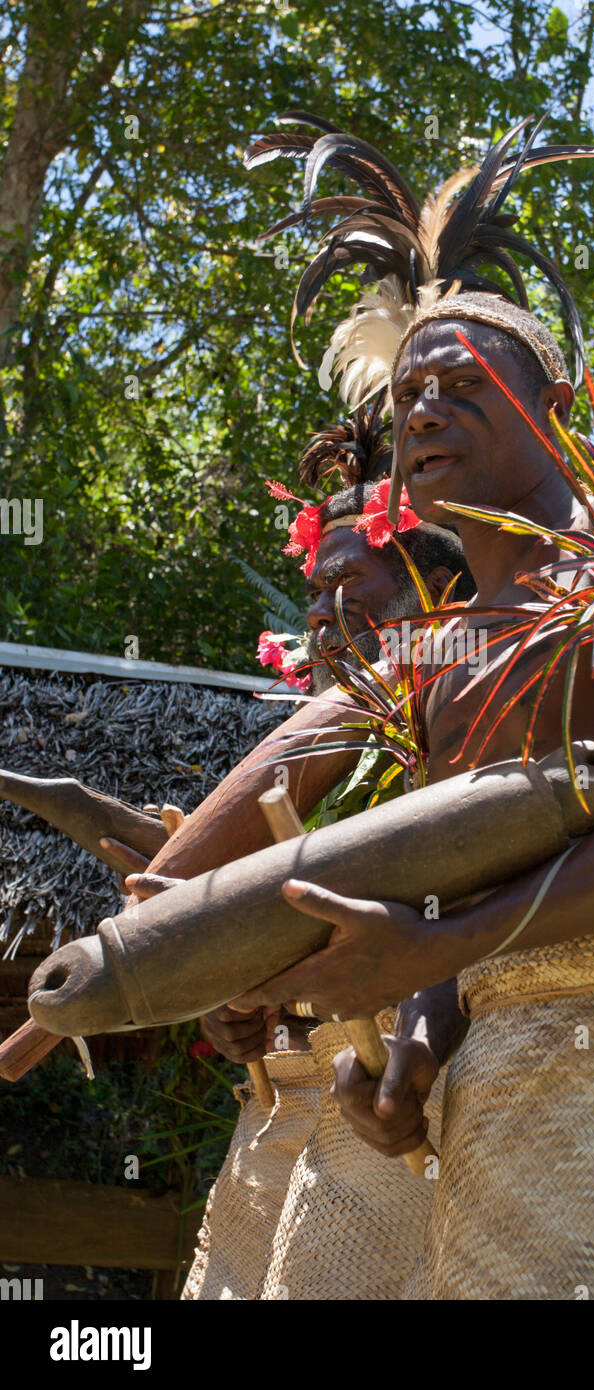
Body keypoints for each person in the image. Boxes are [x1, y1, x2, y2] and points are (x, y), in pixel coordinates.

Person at [221, 118, 594, 1300]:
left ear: (554, 401)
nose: (422, 409)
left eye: (460, 384)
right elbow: (455, 888)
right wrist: (420, 1042)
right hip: (502, 1072)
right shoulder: (440, 654)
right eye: (409, 390)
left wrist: (442, 947)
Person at [131, 411, 474, 1300]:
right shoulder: (307, 758)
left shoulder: (477, 730)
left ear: (435, 588)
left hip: (422, 1111)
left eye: (343, 586)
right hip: (290, 1120)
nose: (318, 615)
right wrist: (240, 1008)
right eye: (311, 594)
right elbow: (282, 962)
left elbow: (471, 927)